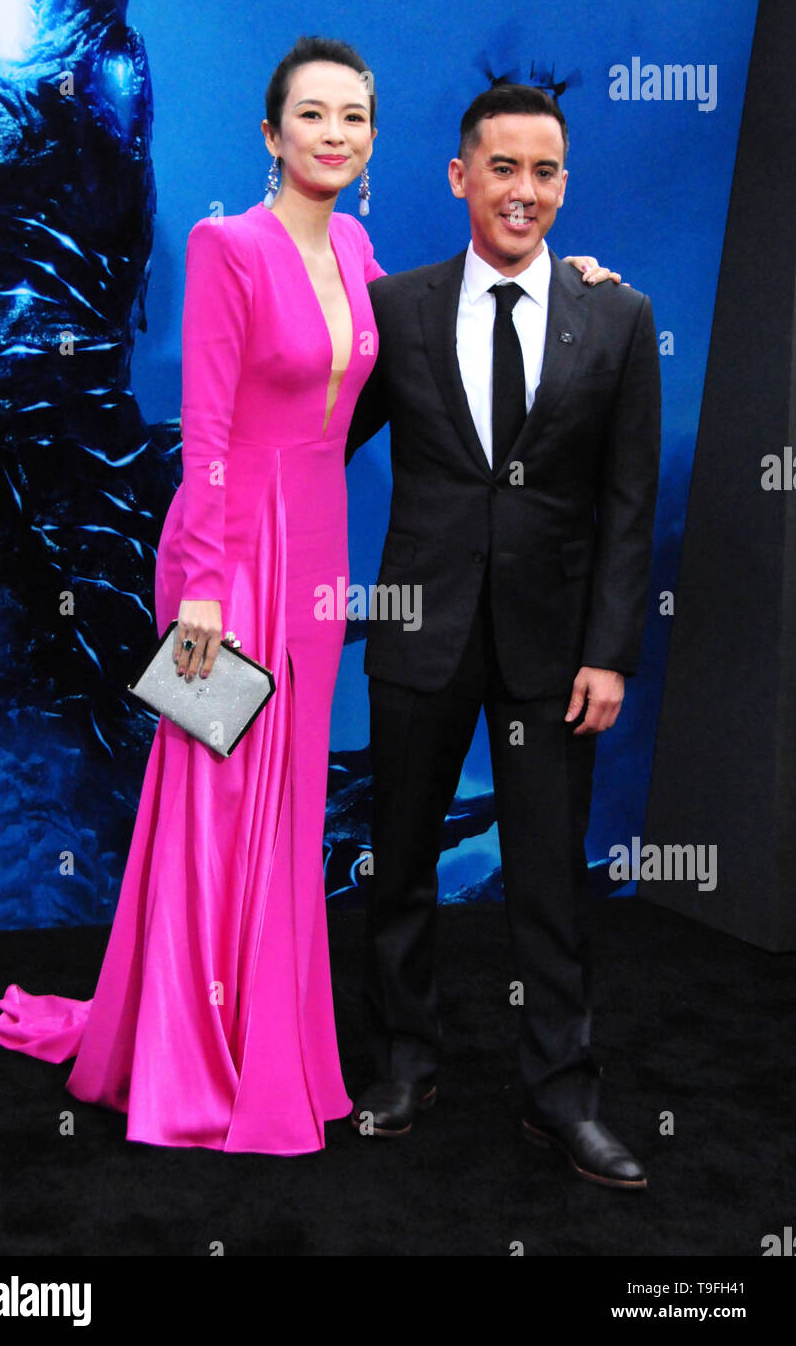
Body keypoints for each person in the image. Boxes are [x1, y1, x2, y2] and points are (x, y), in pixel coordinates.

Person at [0, 42, 620, 1157]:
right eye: (312, 115)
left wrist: (571, 283)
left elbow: (418, 355)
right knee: (214, 799)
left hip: (321, 555)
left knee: (280, 810)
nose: (334, 133)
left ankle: (271, 1045)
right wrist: (202, 593)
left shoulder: (363, 248)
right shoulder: (224, 244)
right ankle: (191, 1061)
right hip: (230, 554)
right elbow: (214, 438)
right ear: (272, 134)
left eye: (354, 117)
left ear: (373, 142)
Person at [345, 83, 661, 1191]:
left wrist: (611, 651)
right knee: (399, 873)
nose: (524, 192)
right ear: (459, 177)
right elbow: (309, 440)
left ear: (562, 183)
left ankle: (561, 1098)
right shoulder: (394, 310)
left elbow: (627, 503)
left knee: (548, 882)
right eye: (504, 168)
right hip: (418, 633)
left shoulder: (615, 317)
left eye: (546, 172)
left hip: (554, 652)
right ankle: (402, 1065)